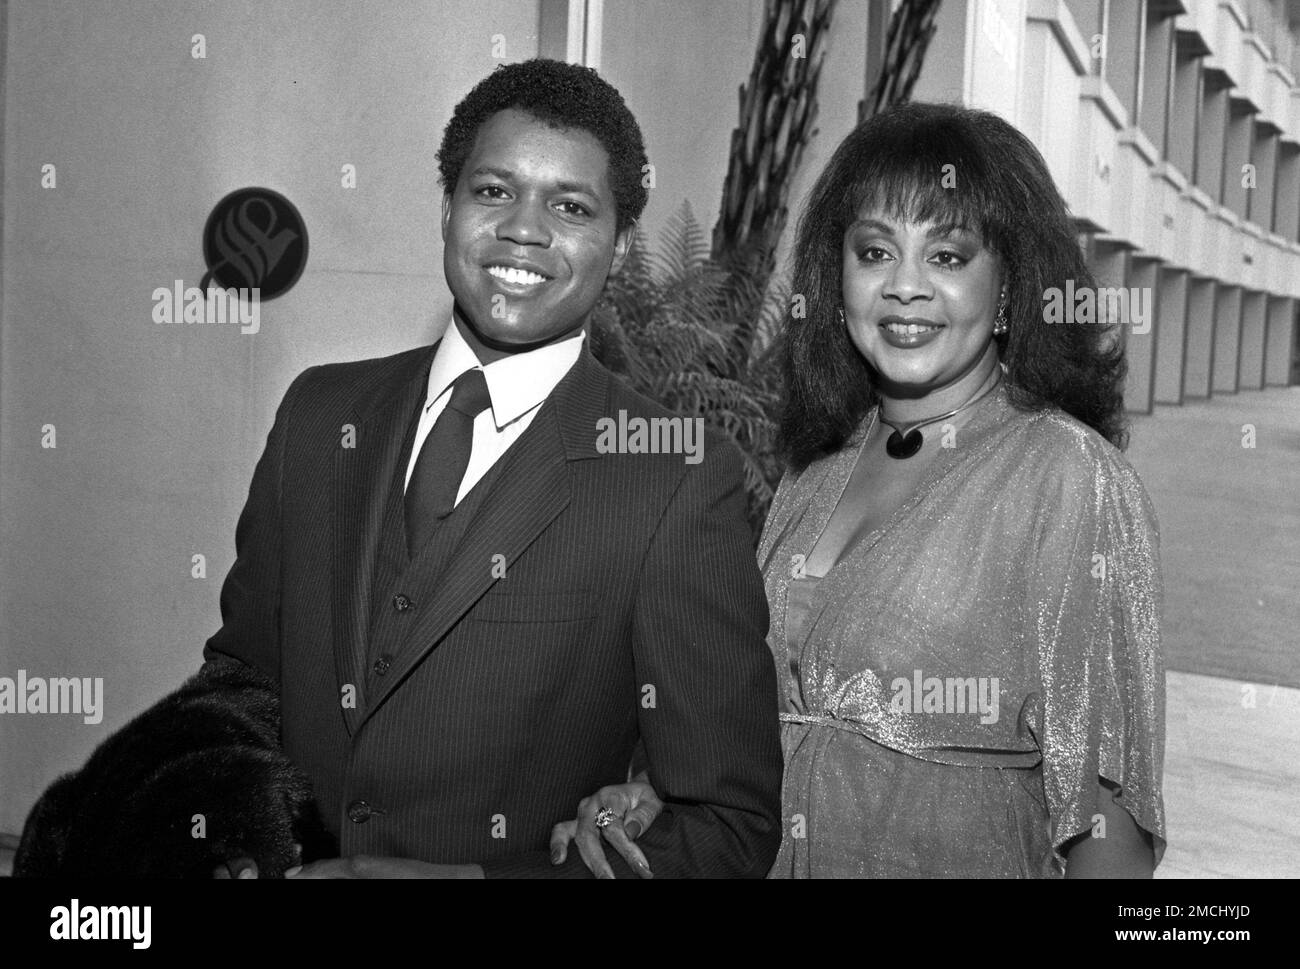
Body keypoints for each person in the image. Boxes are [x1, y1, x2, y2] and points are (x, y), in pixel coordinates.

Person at [196, 58, 783, 878]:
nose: (524, 229)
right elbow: (243, 681)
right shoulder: (319, 415)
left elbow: (727, 829)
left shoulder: (675, 478)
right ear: (447, 210)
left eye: (571, 206)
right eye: (494, 191)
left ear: (615, 247)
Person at [552, 101, 1166, 878]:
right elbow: (752, 729)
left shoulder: (1072, 480)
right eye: (876, 251)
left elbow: (1110, 830)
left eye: (947, 257)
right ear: (836, 280)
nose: (905, 287)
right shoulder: (815, 472)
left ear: (1009, 287)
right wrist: (661, 800)